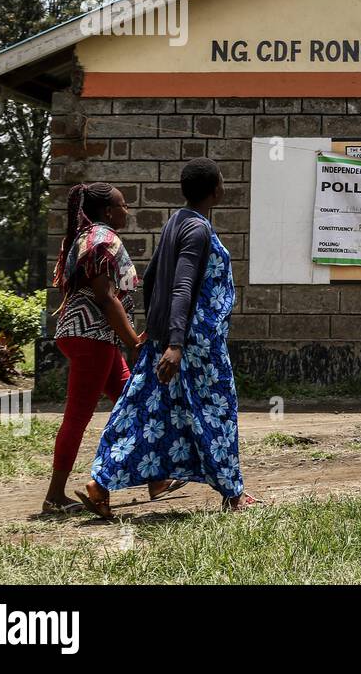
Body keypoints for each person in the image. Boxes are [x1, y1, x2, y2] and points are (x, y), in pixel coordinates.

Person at [77, 158, 257, 516]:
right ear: (216, 190)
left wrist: (155, 327)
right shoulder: (198, 230)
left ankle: (102, 482)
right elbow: (182, 286)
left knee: (148, 410)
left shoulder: (177, 221)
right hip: (194, 346)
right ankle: (233, 495)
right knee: (216, 414)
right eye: (221, 182)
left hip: (170, 336)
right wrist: (175, 344)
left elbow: (153, 275)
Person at [44, 183, 182, 514]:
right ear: (108, 211)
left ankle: (157, 478)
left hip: (90, 337)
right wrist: (134, 340)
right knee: (77, 416)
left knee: (133, 404)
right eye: (122, 206)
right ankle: (54, 496)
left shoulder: (88, 237)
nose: (127, 211)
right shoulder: (103, 241)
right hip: (92, 337)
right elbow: (105, 297)